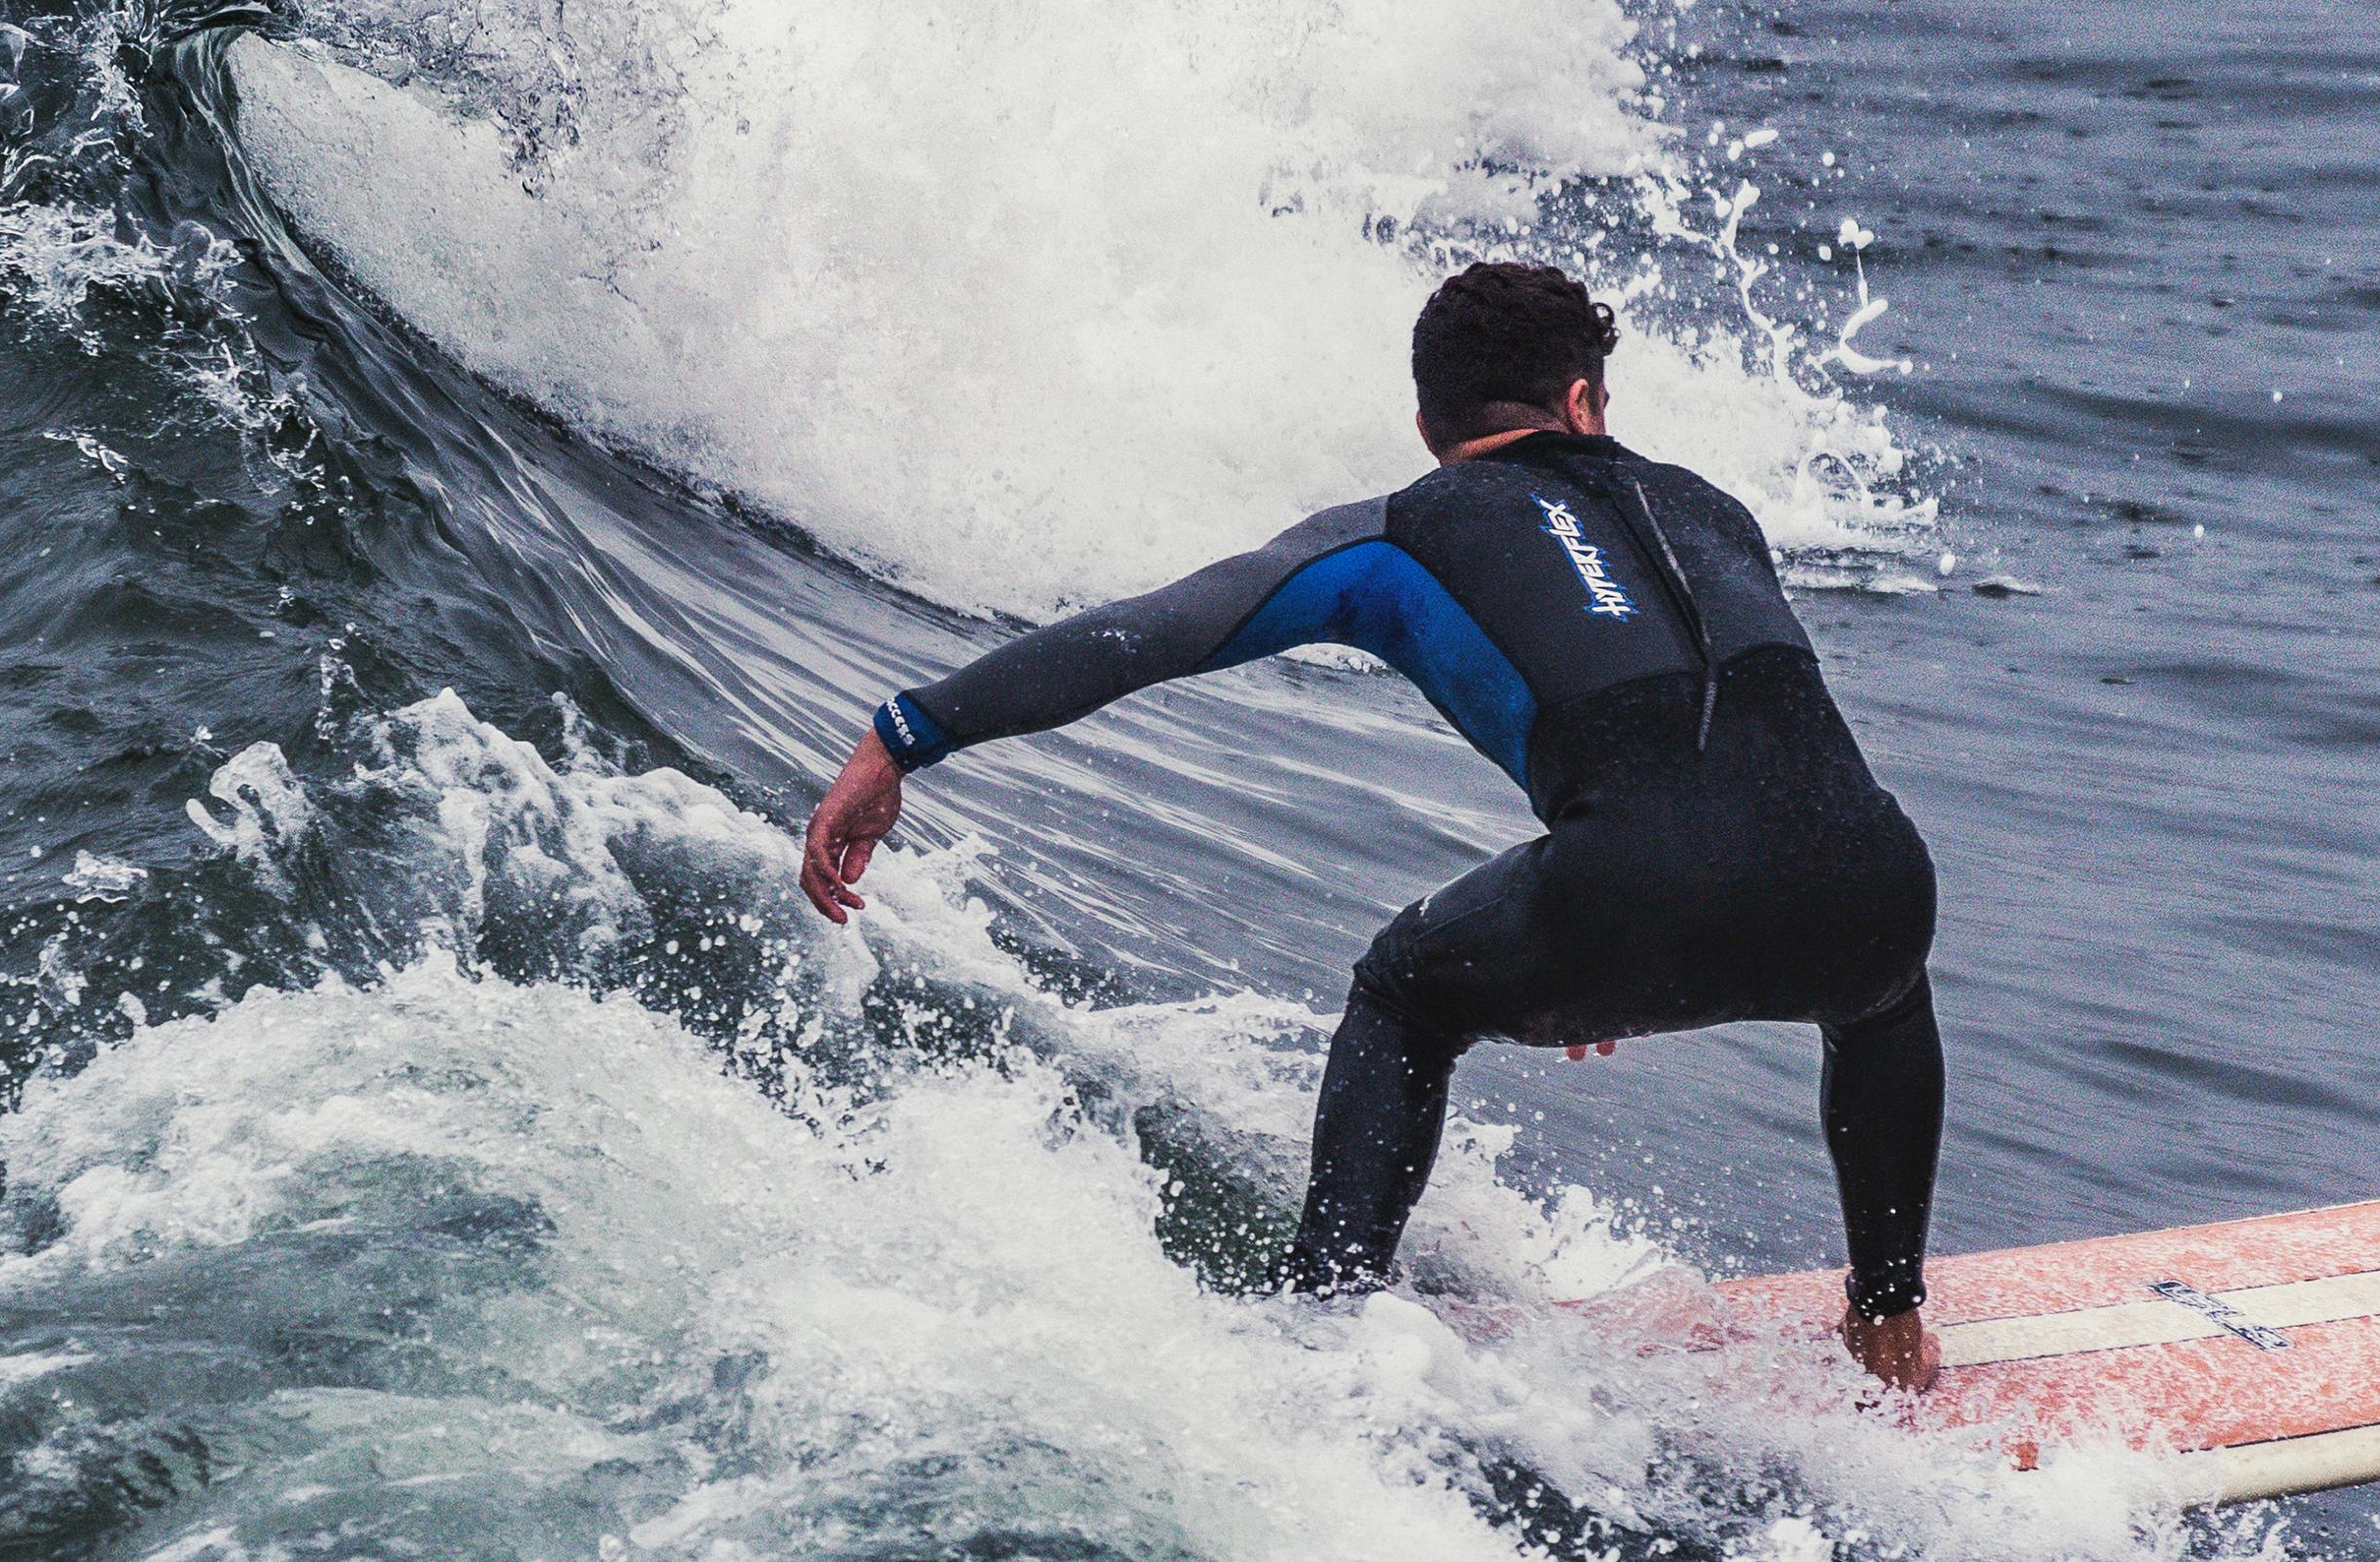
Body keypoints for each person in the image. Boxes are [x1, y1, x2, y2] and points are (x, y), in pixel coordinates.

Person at [794, 259, 1946, 1384]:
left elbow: (1156, 631)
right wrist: (1630, 908)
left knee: (1404, 992)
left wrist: (909, 732)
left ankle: (1329, 1330)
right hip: (1875, 884)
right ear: (1586, 401)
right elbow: (1718, 740)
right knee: (1884, 993)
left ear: (1425, 420)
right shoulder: (1712, 504)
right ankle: (1889, 1322)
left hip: (1631, 889)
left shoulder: (1405, 532)